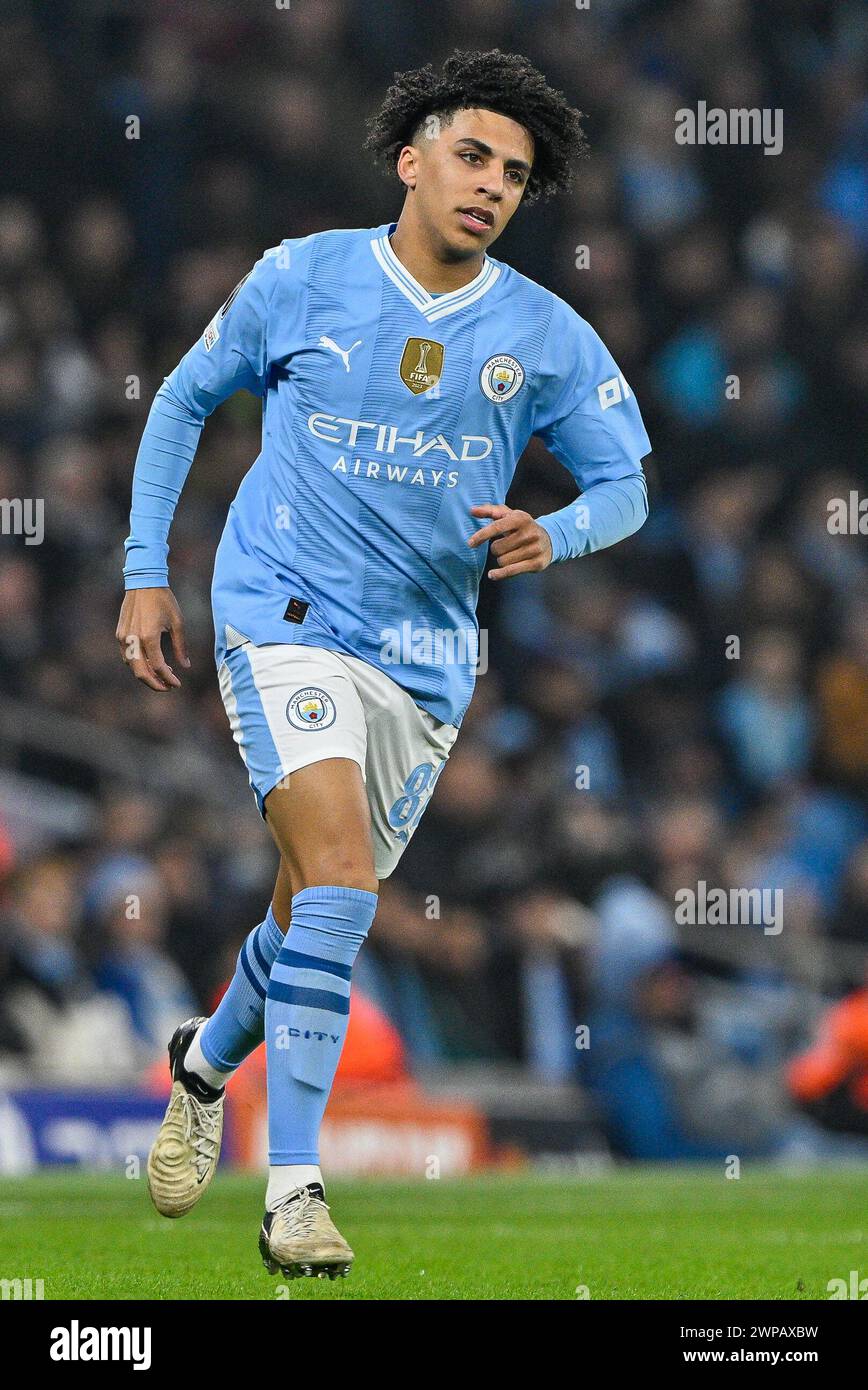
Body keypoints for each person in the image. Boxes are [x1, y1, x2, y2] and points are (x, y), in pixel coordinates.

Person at [116, 47, 651, 1281]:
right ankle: (294, 1189)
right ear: (411, 161)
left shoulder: (543, 334)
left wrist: (553, 529)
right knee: (346, 887)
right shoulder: (300, 277)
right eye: (471, 156)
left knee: (308, 910)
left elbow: (626, 483)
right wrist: (147, 567)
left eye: (514, 175)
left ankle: (204, 1062)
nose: (491, 187)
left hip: (424, 658)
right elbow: (185, 400)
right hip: (282, 610)